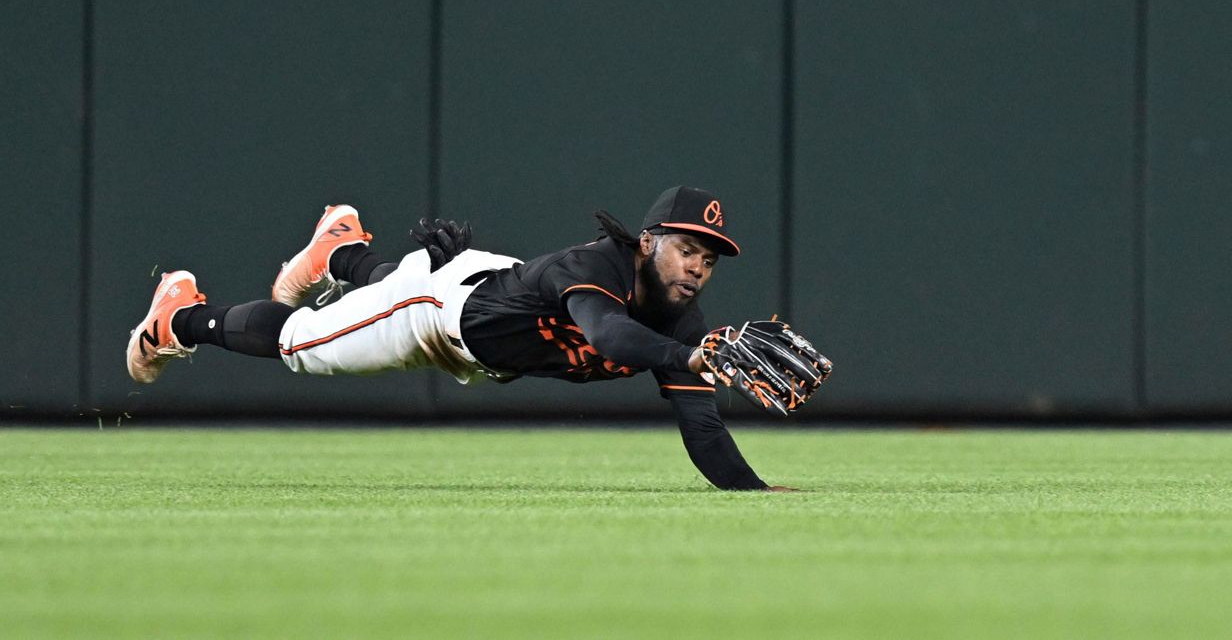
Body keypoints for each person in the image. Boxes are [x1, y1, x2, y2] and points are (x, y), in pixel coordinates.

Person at [126, 186, 795, 491]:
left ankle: (339, 253)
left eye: (710, 257)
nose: (698, 266)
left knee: (389, 287)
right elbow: (608, 334)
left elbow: (701, 427)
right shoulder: (599, 269)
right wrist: (687, 356)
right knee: (302, 346)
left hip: (484, 308)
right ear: (648, 243)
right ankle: (178, 318)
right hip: (439, 312)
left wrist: (754, 492)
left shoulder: (684, 322)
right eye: (685, 248)